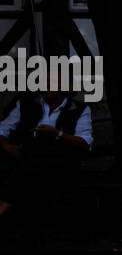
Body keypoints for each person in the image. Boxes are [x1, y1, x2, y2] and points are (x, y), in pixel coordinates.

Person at [0, 86, 93, 227]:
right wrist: (7, 147)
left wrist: (57, 134)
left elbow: (84, 143)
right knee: (28, 167)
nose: (48, 87)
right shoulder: (25, 104)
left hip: (60, 159)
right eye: (46, 83)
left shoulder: (79, 108)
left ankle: (5, 207)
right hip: (26, 154)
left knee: (31, 169)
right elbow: (3, 129)